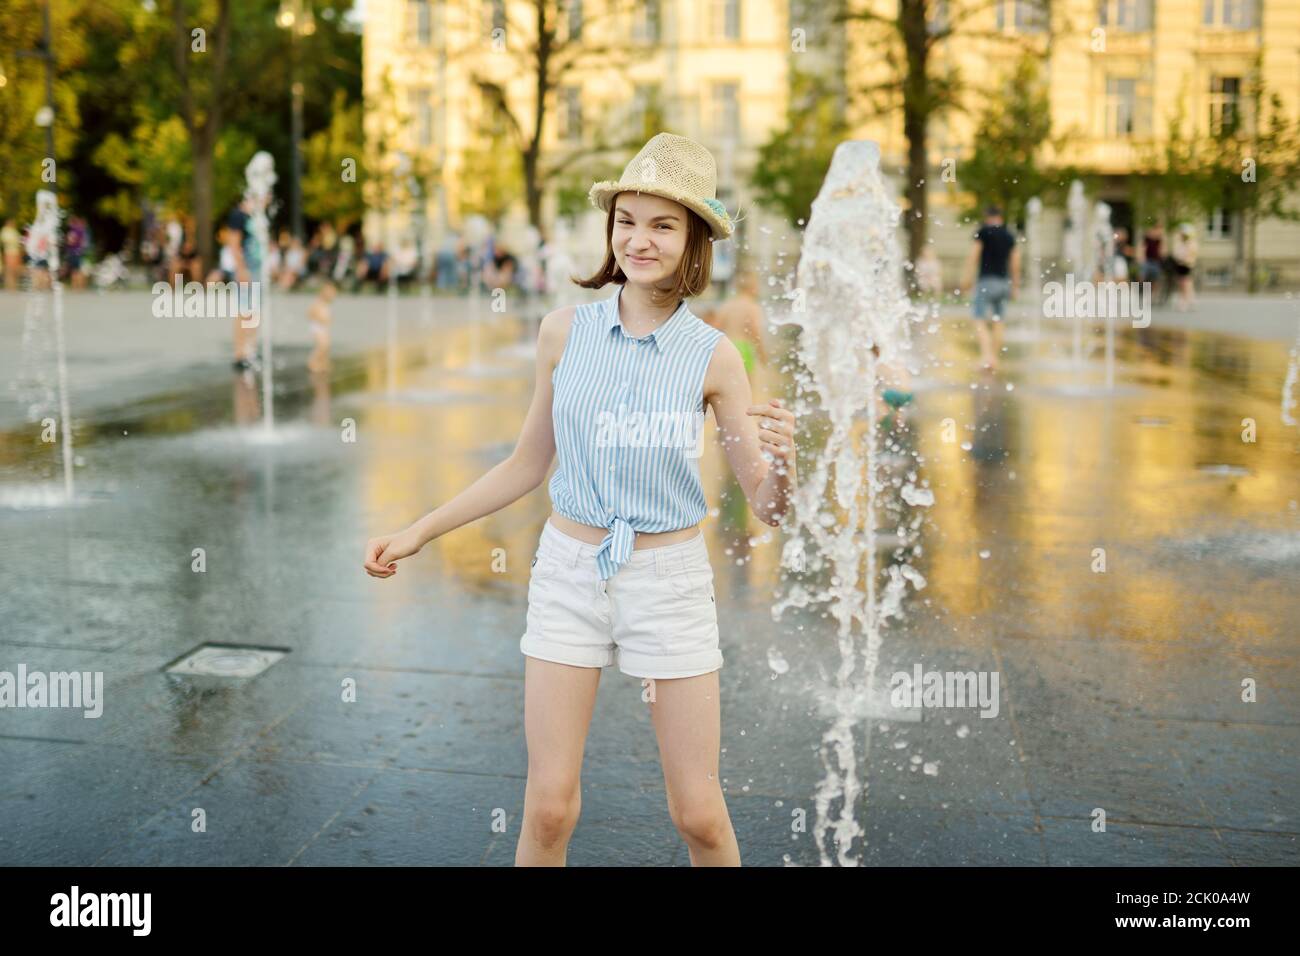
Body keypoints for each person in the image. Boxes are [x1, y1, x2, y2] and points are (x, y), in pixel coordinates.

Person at [362, 132, 798, 867]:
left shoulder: (716, 356)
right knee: (550, 807)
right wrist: (420, 530)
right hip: (569, 572)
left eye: (663, 224)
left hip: (670, 582)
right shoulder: (563, 331)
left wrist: (785, 467)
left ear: (694, 239)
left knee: (699, 816)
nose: (639, 239)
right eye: (627, 220)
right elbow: (527, 464)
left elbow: (767, 503)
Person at [961, 205, 1019, 370]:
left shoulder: (983, 232)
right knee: (999, 320)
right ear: (1000, 217)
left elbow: (974, 256)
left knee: (979, 320)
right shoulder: (1009, 235)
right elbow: (1015, 262)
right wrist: (1015, 285)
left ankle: (986, 357)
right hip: (1003, 283)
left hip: (985, 281)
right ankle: (995, 358)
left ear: (987, 217)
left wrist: (966, 278)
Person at [701, 268, 768, 384]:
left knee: (727, 386)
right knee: (745, 387)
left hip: (728, 347)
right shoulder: (752, 306)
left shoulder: (728, 304)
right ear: (753, 287)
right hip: (744, 349)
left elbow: (715, 327)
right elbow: (755, 331)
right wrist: (762, 353)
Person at [307, 279, 336, 372]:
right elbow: (310, 313)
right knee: (321, 346)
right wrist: (320, 319)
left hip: (324, 328)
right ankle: (312, 362)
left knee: (326, 346)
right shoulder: (318, 302)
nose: (332, 295)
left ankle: (323, 363)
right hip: (317, 328)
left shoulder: (326, 303)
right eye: (330, 293)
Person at [1170, 223, 1198, 312]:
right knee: (1182, 283)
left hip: (1186, 265)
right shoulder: (1180, 243)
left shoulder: (1191, 243)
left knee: (1185, 283)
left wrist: (1185, 259)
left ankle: (1187, 301)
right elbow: (1176, 253)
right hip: (1180, 265)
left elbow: (1191, 255)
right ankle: (1187, 300)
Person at [2, 218, 23, 291]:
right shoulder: (5, 231)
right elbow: (5, 241)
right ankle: (9, 285)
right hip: (9, 252)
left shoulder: (14, 231)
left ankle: (14, 285)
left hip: (16, 252)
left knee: (15, 269)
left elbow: (19, 242)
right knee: (9, 269)